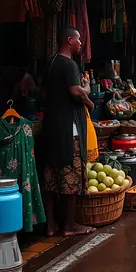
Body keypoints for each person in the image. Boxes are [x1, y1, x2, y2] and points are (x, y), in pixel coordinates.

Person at [42, 26, 95, 238]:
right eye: (79, 40)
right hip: (68, 128)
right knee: (71, 174)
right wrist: (89, 98)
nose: (82, 44)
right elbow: (75, 92)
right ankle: (70, 225)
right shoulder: (70, 64)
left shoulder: (51, 62)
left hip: (51, 126)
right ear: (70, 40)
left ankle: (50, 224)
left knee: (50, 176)